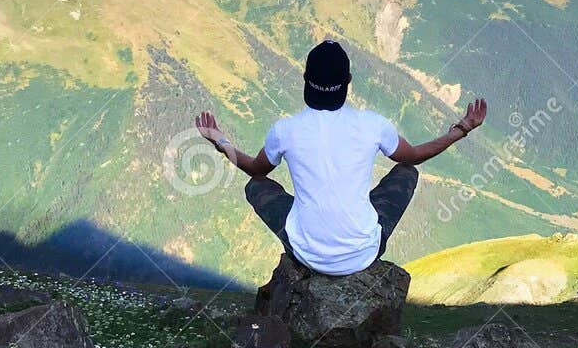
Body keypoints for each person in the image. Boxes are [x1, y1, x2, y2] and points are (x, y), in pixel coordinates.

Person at [194, 39, 486, 276]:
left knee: (256, 185)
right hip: (364, 253)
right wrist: (461, 129)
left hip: (305, 254)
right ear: (348, 81)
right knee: (407, 171)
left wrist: (219, 140)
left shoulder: (285, 129)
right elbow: (415, 156)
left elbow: (255, 170)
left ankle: (308, 246)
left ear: (306, 79)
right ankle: (354, 234)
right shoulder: (373, 125)